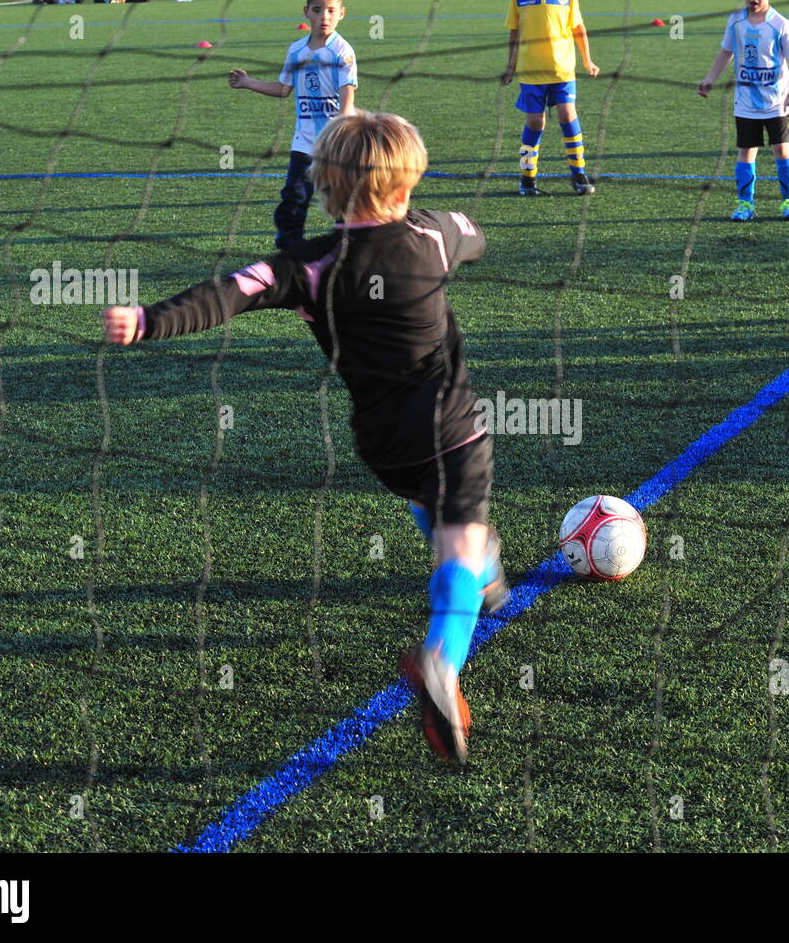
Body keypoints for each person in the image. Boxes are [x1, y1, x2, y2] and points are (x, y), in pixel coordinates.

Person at [102, 112, 506, 764]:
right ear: (406, 186)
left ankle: (481, 573)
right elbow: (474, 234)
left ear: (324, 190)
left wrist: (148, 320)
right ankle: (442, 659)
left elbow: (227, 294)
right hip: (451, 425)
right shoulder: (433, 235)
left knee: (444, 517)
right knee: (460, 537)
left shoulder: (307, 265)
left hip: (379, 440)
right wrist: (454, 234)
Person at [229, 0, 357, 251]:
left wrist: (342, 136)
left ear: (341, 14)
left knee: (343, 198)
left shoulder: (342, 52)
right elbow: (283, 89)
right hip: (304, 141)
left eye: (332, 10)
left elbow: (347, 102)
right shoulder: (296, 51)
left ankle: (348, 248)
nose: (325, 16)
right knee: (294, 196)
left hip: (335, 141)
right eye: (318, 10)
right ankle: (290, 248)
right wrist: (247, 82)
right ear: (306, 12)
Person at [698, 0, 789, 222]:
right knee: (746, 152)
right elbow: (726, 53)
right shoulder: (736, 21)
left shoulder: (780, 24)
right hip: (745, 102)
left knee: (782, 149)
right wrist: (709, 79)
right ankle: (745, 204)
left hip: (776, 102)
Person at [500, 0, 601, 197]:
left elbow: (578, 27)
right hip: (531, 71)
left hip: (562, 69)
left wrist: (587, 59)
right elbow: (515, 30)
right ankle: (527, 178)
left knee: (567, 115)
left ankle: (579, 175)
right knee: (536, 122)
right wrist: (511, 66)